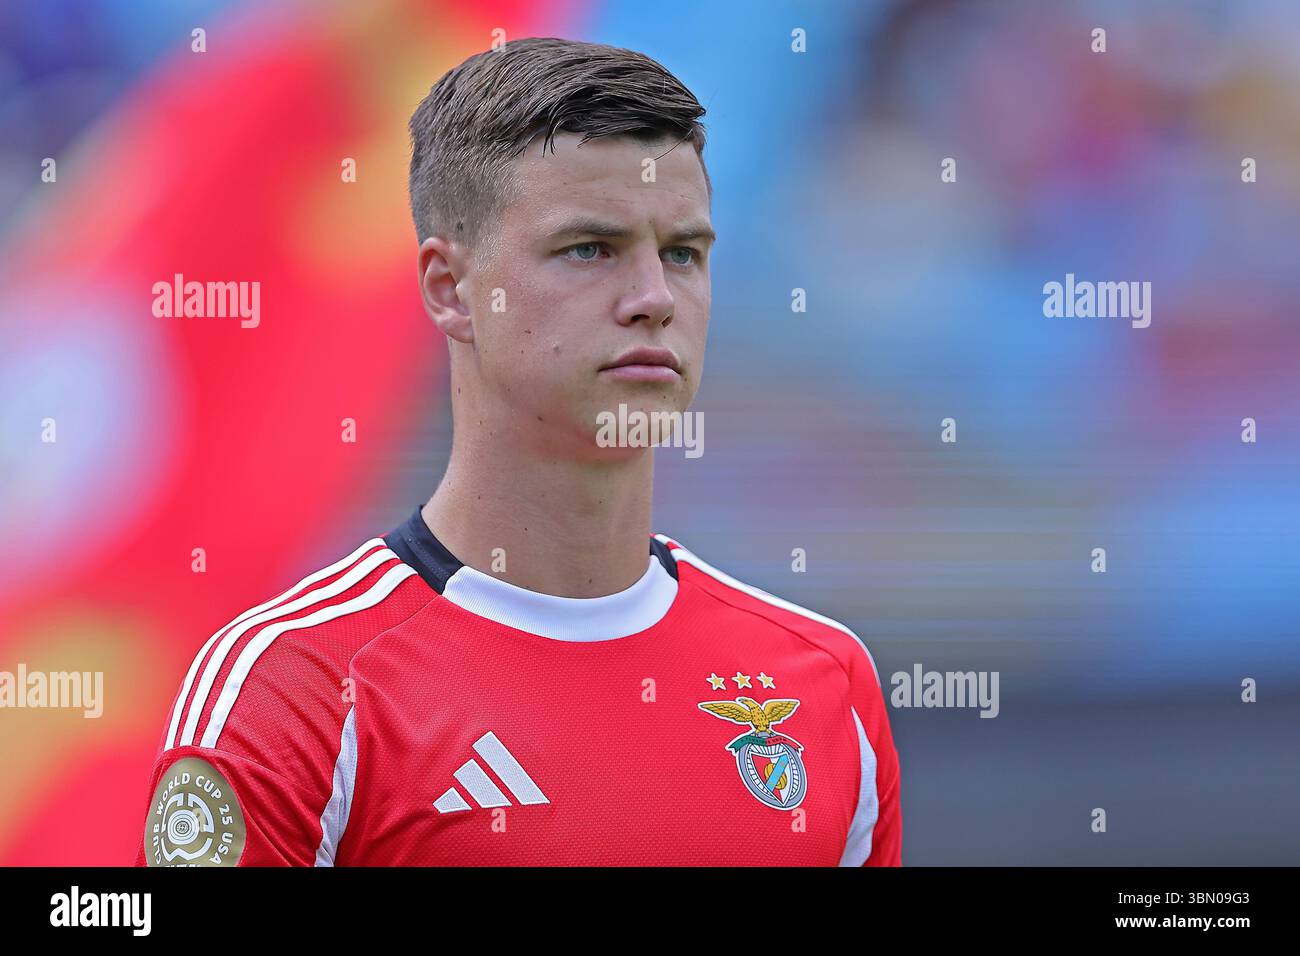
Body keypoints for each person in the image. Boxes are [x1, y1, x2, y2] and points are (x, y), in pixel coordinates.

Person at [134, 36, 901, 866]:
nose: (654, 298)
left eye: (683, 253)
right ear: (450, 290)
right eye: (590, 249)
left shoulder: (823, 681)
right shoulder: (294, 687)